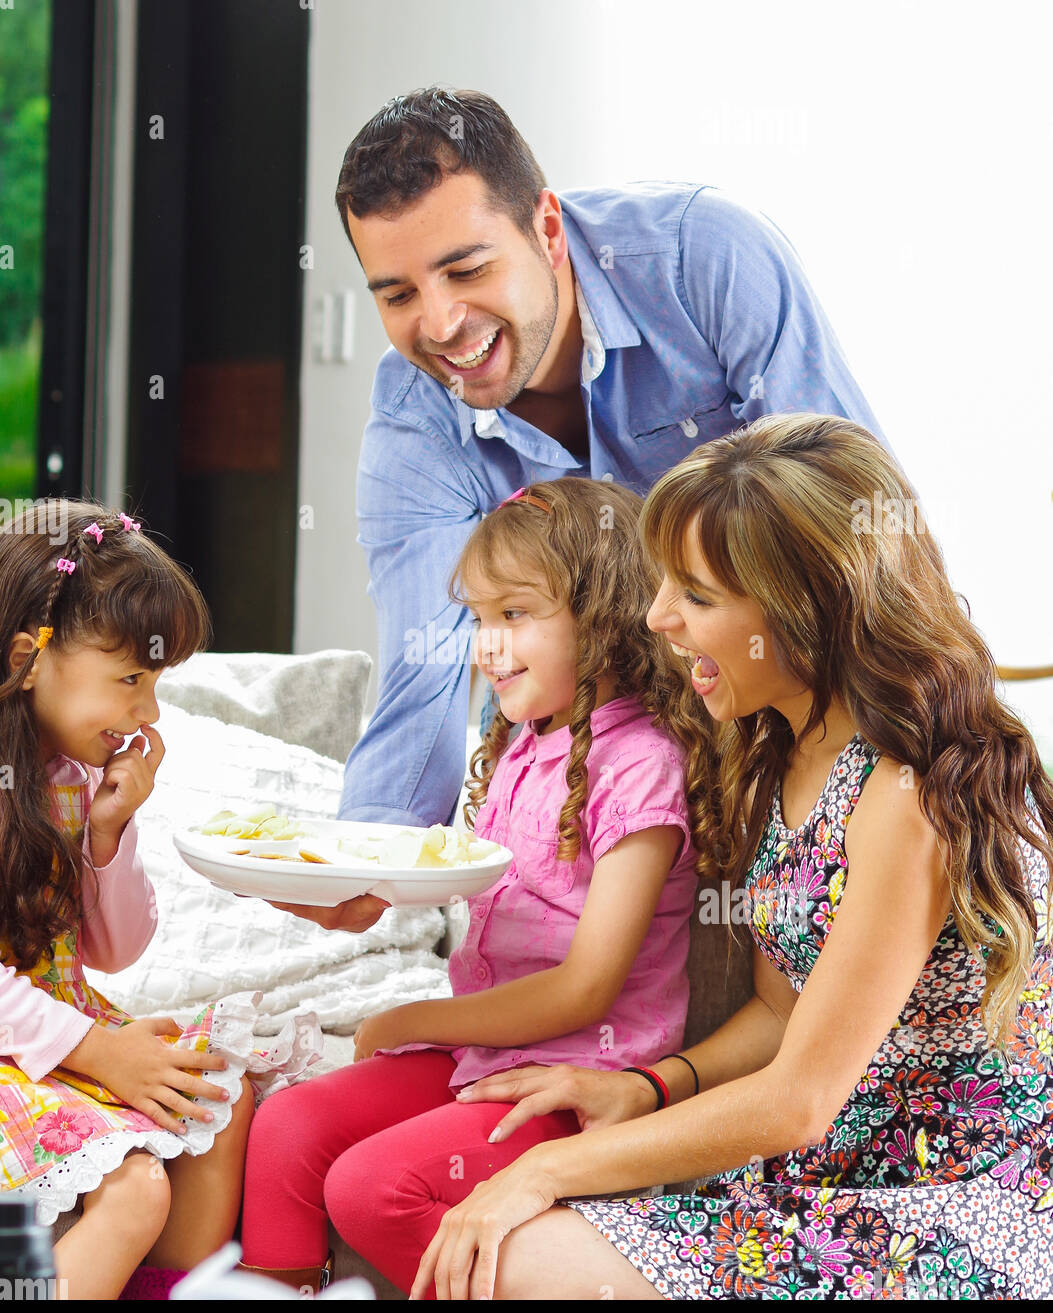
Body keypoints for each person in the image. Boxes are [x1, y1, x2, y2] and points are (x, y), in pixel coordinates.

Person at [408, 413, 1053, 1300]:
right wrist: (651, 1084)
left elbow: (797, 1099)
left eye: (697, 596)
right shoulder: (773, 754)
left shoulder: (906, 796)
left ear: (808, 610)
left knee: (517, 1255)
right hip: (822, 1187)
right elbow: (780, 1010)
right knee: (501, 1258)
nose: (655, 617)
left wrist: (547, 1171)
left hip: (961, 1208)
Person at [333, 87, 886, 848]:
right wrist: (367, 859)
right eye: (397, 294)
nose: (439, 325)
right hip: (569, 781)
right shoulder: (414, 413)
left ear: (547, 230)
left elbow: (851, 527)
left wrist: (895, 779)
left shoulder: (702, 261)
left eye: (465, 271)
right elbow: (421, 665)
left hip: (766, 720)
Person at [240, 479, 711, 1296]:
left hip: (572, 1075)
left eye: (515, 615)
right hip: (486, 1055)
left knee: (369, 1186)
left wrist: (413, 1018)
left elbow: (584, 989)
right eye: (479, 618)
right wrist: (367, 889)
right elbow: (497, 886)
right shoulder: (525, 743)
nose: (486, 646)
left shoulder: (640, 768)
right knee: (288, 1124)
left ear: (600, 618)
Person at [0, 503, 287, 1300]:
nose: (148, 711)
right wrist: (102, 1052)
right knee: (135, 1190)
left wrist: (109, 831)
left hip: (30, 1021)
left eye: (155, 683)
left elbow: (112, 951)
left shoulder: (70, 777)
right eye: (130, 679)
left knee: (219, 1104)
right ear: (28, 659)